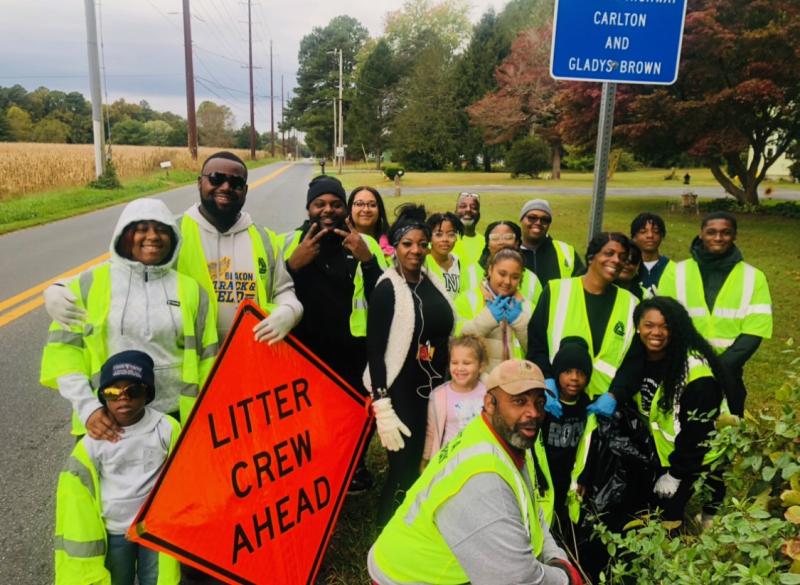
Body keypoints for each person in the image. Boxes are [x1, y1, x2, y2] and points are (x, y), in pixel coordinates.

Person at [43, 150, 303, 347]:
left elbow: (283, 290)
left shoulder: (264, 239)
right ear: (199, 182)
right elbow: (120, 271)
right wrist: (60, 288)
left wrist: (289, 311)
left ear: (245, 190)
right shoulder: (171, 233)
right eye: (216, 178)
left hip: (252, 359)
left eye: (235, 183)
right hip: (191, 364)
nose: (225, 187)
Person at [368, 359, 584, 585]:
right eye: (519, 401)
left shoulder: (506, 438)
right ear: (490, 403)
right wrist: (567, 578)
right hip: (407, 578)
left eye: (539, 403)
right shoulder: (484, 481)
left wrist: (555, 557)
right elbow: (517, 581)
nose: (533, 413)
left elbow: (533, 510)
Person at [40, 198, 218, 436]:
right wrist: (88, 409)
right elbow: (64, 355)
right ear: (125, 235)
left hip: (176, 421)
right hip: (108, 418)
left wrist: (204, 416)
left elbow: (208, 360)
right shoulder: (88, 284)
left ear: (174, 238)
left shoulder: (192, 290)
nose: (153, 236)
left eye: (162, 229)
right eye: (141, 229)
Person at [284, 175, 389, 493]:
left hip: (352, 349)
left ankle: (352, 467)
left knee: (356, 413)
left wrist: (368, 261)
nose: (327, 210)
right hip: (304, 349)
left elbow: (385, 295)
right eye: (320, 204)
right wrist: (292, 265)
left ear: (344, 208)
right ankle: (312, 473)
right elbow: (273, 293)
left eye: (335, 203)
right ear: (308, 208)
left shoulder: (364, 242)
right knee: (308, 419)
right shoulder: (288, 242)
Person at [54, 350, 180, 585]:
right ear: (102, 396)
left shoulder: (166, 428)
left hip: (152, 528)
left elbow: (181, 476)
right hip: (114, 531)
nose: (123, 399)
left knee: (155, 578)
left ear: (147, 394)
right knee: (116, 580)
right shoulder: (93, 442)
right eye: (113, 392)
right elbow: (78, 495)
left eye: (132, 391)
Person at [365, 203, 456, 525]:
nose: (416, 250)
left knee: (426, 462)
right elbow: (375, 352)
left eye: (422, 243)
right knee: (403, 468)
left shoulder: (433, 282)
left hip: (434, 389)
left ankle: (417, 526)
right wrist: (382, 408)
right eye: (407, 244)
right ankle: (385, 532)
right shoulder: (388, 289)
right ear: (395, 248)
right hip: (401, 393)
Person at [657, 211, 772, 416]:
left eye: (725, 233)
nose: (718, 238)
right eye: (711, 232)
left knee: (727, 435)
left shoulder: (754, 277)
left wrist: (718, 369)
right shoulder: (676, 272)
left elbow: (755, 331)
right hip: (682, 371)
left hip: (729, 374)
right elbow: (662, 321)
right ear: (701, 234)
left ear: (734, 236)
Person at [625, 297, 728, 523]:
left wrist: (675, 475)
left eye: (666, 326)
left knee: (667, 520)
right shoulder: (639, 356)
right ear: (638, 327)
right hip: (665, 452)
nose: (656, 332)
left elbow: (698, 433)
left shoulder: (697, 375)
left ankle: (706, 520)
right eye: (649, 325)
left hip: (696, 458)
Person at [527, 232, 639, 420]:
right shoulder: (556, 291)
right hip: (556, 405)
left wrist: (615, 395)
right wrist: (546, 380)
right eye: (609, 253)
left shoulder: (631, 304)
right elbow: (536, 344)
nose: (616, 260)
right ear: (591, 257)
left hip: (602, 412)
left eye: (622, 257)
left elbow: (634, 361)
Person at [540, 337, 593, 540]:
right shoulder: (546, 404)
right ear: (557, 374)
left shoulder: (587, 406)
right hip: (546, 475)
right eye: (567, 372)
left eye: (581, 373)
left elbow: (588, 446)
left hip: (568, 477)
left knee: (564, 523)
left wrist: (583, 477)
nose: (574, 378)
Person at [457, 248, 533, 371]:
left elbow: (536, 350)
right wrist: (488, 318)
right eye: (502, 274)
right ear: (490, 270)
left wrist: (520, 322)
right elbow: (457, 341)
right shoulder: (466, 300)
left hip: (516, 383)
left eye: (515, 277)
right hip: (479, 384)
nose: (507, 282)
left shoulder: (528, 306)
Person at [422, 334, 488, 466]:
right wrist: (426, 460)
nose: (460, 368)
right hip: (450, 463)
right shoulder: (438, 395)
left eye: (467, 363)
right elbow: (431, 431)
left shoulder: (488, 393)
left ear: (481, 366)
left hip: (481, 459)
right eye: (454, 362)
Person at [465, 220, 542, 306]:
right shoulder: (469, 272)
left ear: (517, 243)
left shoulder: (532, 279)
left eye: (508, 237)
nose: (501, 242)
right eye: (495, 238)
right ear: (488, 245)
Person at [518, 199, 584, 285]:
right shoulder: (510, 251)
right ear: (521, 219)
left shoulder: (566, 252)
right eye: (532, 218)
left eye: (545, 219)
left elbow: (581, 285)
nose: (538, 222)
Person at [630, 212, 672, 296]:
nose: (650, 235)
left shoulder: (672, 268)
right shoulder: (627, 268)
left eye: (656, 231)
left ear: (662, 236)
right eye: (643, 231)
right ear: (634, 237)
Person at [424, 211, 464, 299]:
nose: (445, 239)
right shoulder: (422, 263)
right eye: (438, 234)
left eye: (451, 234)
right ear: (429, 237)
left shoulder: (459, 263)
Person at [347, 185, 394, 260]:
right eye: (359, 204)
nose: (366, 210)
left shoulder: (393, 243)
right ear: (350, 209)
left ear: (379, 210)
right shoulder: (341, 243)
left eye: (372, 205)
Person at [452, 191, 484, 266]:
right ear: (455, 212)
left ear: (478, 215)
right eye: (463, 206)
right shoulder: (442, 240)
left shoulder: (486, 243)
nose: (468, 210)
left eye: (473, 207)